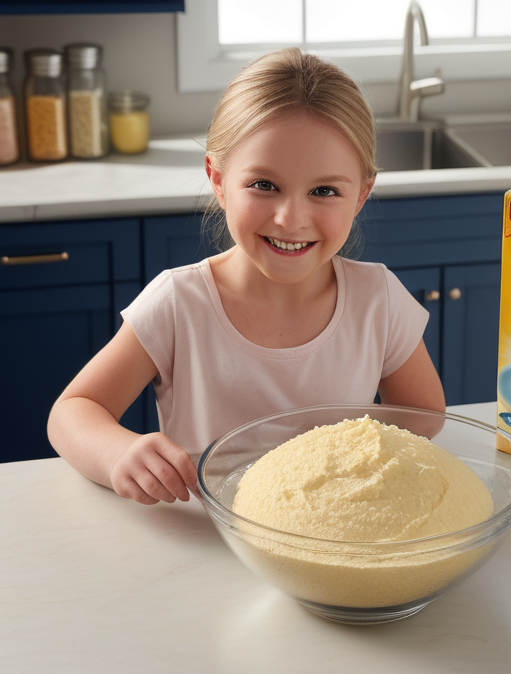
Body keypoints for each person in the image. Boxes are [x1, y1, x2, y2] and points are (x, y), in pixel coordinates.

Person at [47, 48, 445, 507]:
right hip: (207, 536)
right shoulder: (179, 302)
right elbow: (72, 412)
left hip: (331, 542)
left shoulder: (378, 299)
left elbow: (426, 416)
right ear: (218, 180)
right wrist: (119, 452)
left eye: (324, 191)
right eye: (264, 185)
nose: (290, 218)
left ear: (361, 195)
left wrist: (355, 460)